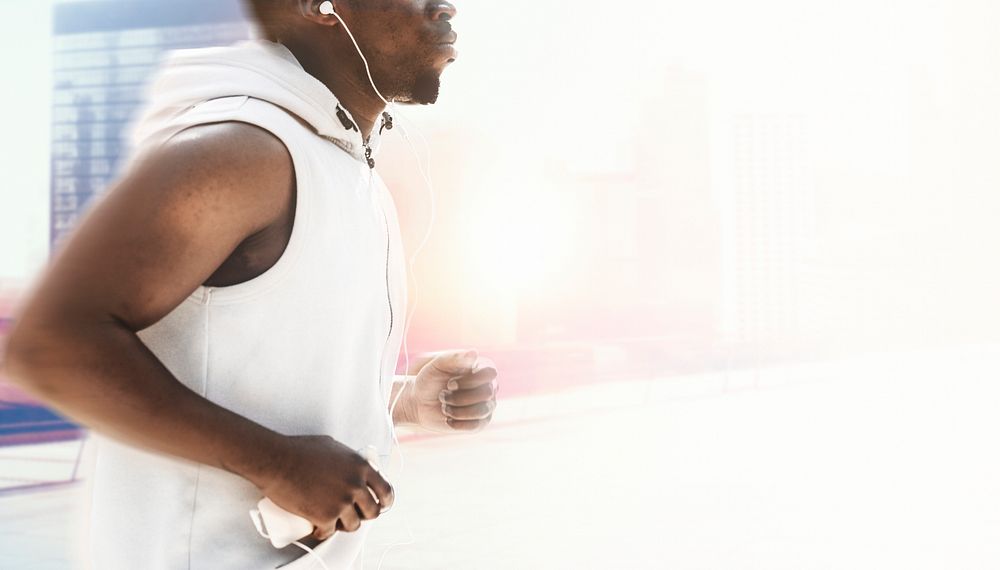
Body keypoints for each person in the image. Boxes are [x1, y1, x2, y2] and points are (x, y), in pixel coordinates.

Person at [1, 0, 499, 568]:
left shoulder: (346, 169)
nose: (446, 4)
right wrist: (276, 464)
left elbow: (258, 374)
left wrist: (404, 398)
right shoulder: (244, 150)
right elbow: (48, 345)